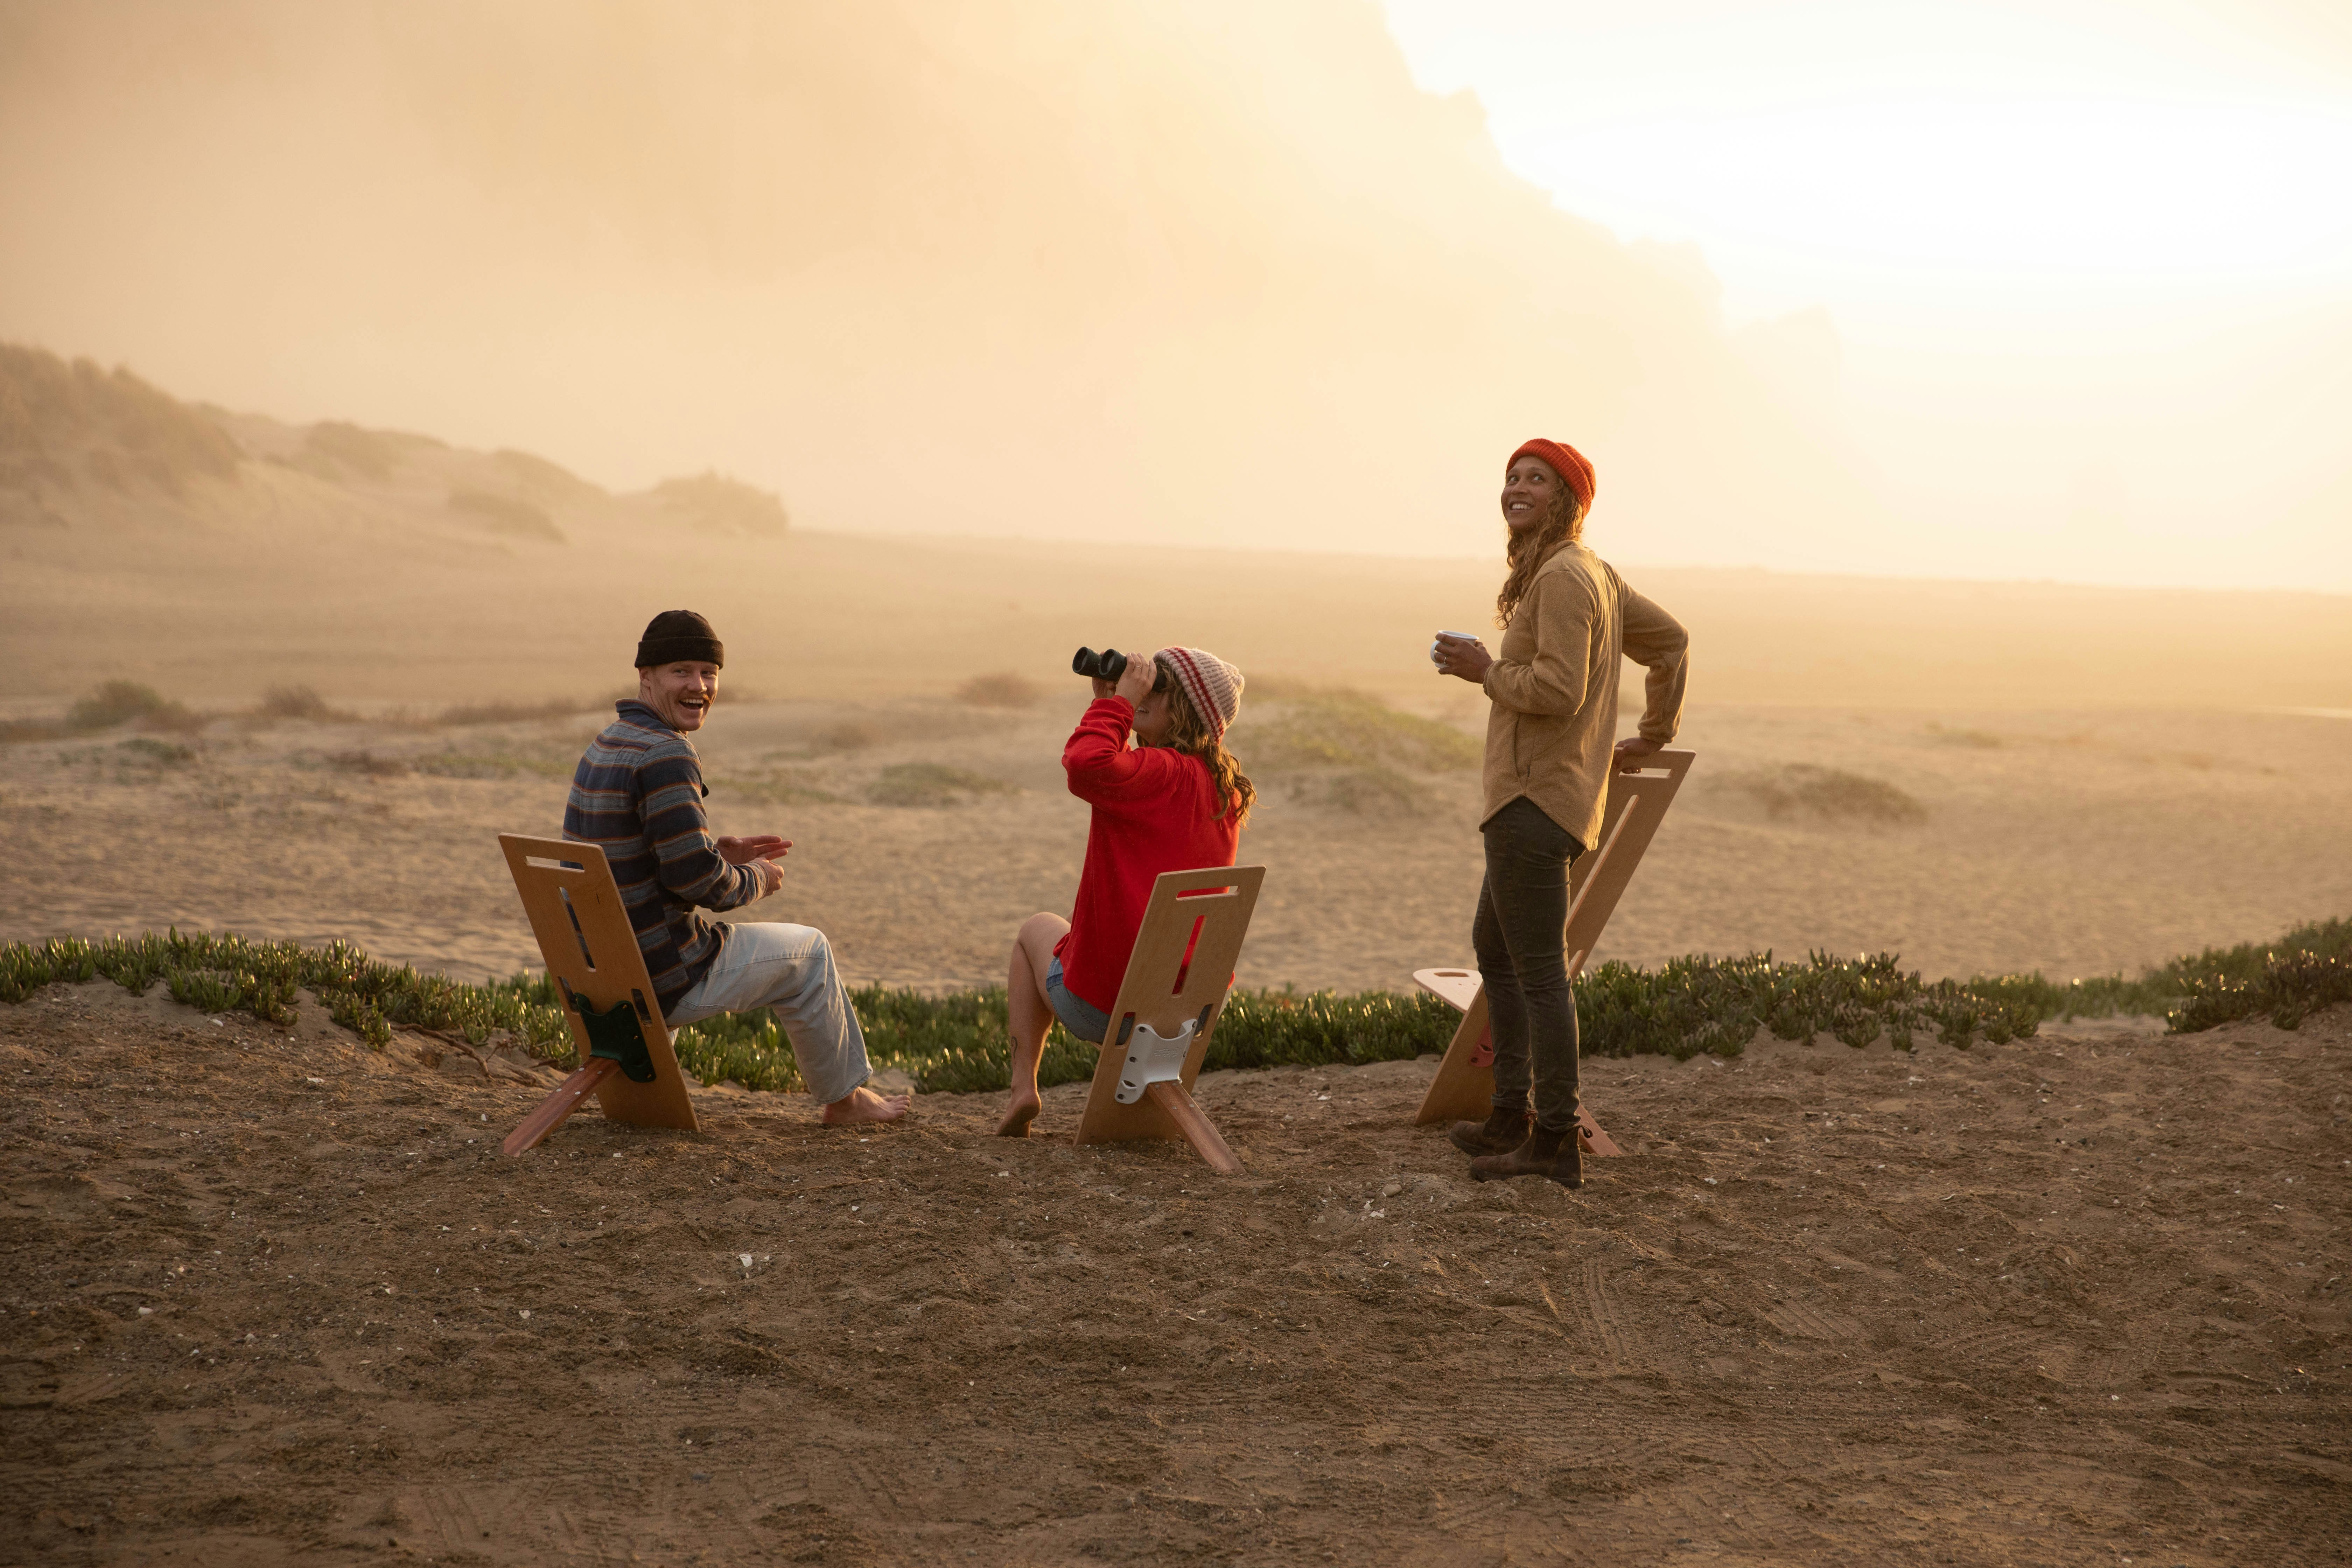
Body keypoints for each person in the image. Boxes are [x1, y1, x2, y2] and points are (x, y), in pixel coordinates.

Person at [1431, 440, 1687, 1187]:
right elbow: (1671, 642)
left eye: (1535, 479)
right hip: (1547, 798)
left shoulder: (1567, 577)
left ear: (1568, 499)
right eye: (1512, 477)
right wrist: (1658, 731)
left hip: (1535, 799)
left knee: (1539, 974)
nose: (1517, 488)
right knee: (1496, 950)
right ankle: (1511, 1112)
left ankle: (1554, 1139)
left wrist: (1486, 672)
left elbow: (1557, 689)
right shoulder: (1593, 573)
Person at [564, 609, 909, 1126]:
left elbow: (638, 857)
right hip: (661, 974)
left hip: (599, 974)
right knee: (810, 952)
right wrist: (757, 880)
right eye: (682, 671)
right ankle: (848, 1102)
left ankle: (643, 1100)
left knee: (784, 948)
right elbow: (700, 885)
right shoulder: (666, 755)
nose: (699, 685)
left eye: (709, 673)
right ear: (647, 676)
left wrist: (717, 854)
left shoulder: (608, 743)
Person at [995, 646, 1252, 1137]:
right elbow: (1110, 764)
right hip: (1184, 1015)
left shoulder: (1158, 776)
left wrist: (1112, 707)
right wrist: (1117, 703)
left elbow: (1085, 764)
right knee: (1061, 935)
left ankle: (1022, 1088)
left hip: (1108, 1010)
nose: (1145, 690)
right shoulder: (1226, 791)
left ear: (1188, 709)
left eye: (1159, 686)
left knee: (1034, 932)